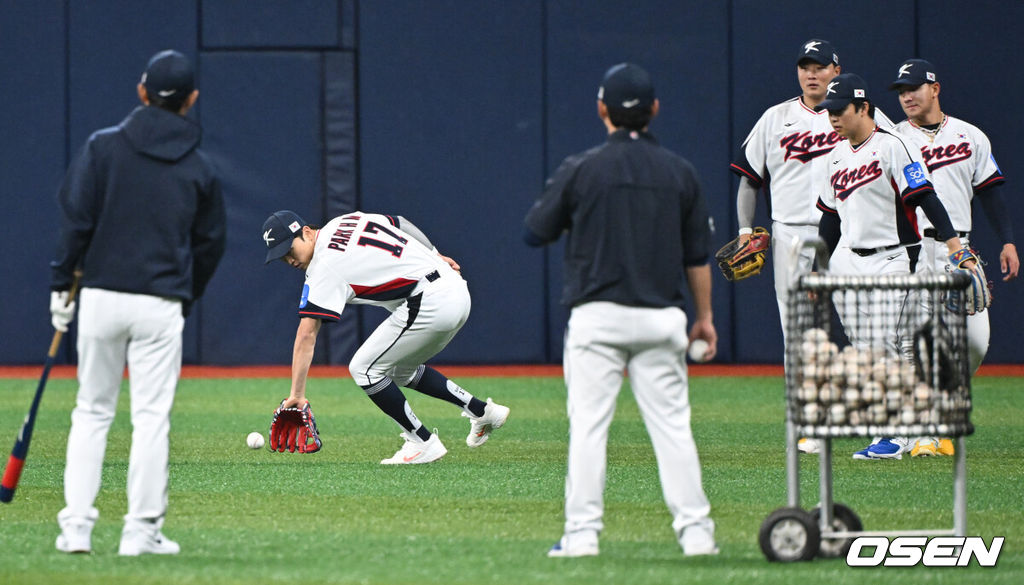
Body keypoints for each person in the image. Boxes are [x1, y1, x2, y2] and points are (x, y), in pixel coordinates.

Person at [524, 63, 718, 558]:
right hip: (662, 318)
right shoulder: (680, 171)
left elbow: (534, 231)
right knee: (673, 428)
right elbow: (697, 256)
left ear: (601, 109)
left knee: (589, 429)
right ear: (654, 110)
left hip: (598, 317)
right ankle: (697, 535)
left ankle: (582, 537)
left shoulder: (582, 167)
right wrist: (705, 318)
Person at [49, 50, 226, 555]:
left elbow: (75, 222)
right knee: (150, 419)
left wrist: (62, 286)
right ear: (191, 101)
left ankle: (76, 529)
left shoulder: (102, 148)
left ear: (142, 91)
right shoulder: (200, 167)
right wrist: (185, 296)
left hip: (101, 297)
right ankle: (140, 533)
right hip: (160, 303)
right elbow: (211, 244)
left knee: (91, 412)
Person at [729, 39, 893, 456]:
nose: (812, 73)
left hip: (849, 234)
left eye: (820, 66)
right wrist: (746, 230)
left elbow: (894, 156)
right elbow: (750, 177)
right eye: (805, 66)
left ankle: (884, 425)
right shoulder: (776, 118)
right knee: (800, 336)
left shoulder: (859, 115)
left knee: (865, 331)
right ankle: (813, 423)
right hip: (791, 235)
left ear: (836, 71)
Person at [262, 209, 510, 465]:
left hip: (431, 301)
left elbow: (306, 334)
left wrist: (297, 394)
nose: (290, 260)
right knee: (401, 371)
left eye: (289, 251)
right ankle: (483, 411)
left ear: (306, 232)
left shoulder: (323, 265)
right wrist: (435, 254)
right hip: (454, 288)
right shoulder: (344, 221)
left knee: (364, 369)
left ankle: (422, 442)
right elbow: (402, 223)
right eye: (282, 258)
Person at [813, 73, 975, 460]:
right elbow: (829, 220)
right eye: (828, 111)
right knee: (862, 347)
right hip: (847, 260)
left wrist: (957, 249)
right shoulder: (834, 155)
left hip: (893, 257)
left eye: (839, 110)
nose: (832, 118)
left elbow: (926, 198)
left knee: (888, 345)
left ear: (863, 107)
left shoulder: (894, 146)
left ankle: (896, 435)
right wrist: (818, 268)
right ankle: (889, 428)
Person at [888, 58, 1018, 457]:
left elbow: (991, 190)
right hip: (912, 250)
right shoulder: (892, 137)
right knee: (915, 344)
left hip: (959, 249)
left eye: (913, 88)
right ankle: (923, 432)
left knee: (976, 342)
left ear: (935, 89)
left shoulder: (970, 135)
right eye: (901, 91)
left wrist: (1008, 241)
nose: (907, 96)